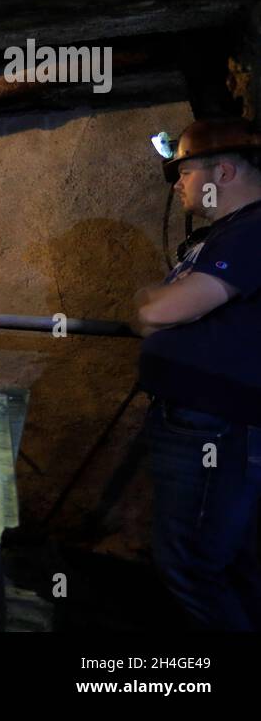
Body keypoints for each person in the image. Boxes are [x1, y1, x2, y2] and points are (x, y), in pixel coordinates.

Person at [132, 117, 261, 630]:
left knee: (192, 565)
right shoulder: (227, 235)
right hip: (201, 424)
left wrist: (151, 305)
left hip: (215, 429)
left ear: (223, 171)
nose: (179, 184)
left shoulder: (252, 231)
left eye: (184, 173)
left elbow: (161, 310)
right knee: (223, 562)